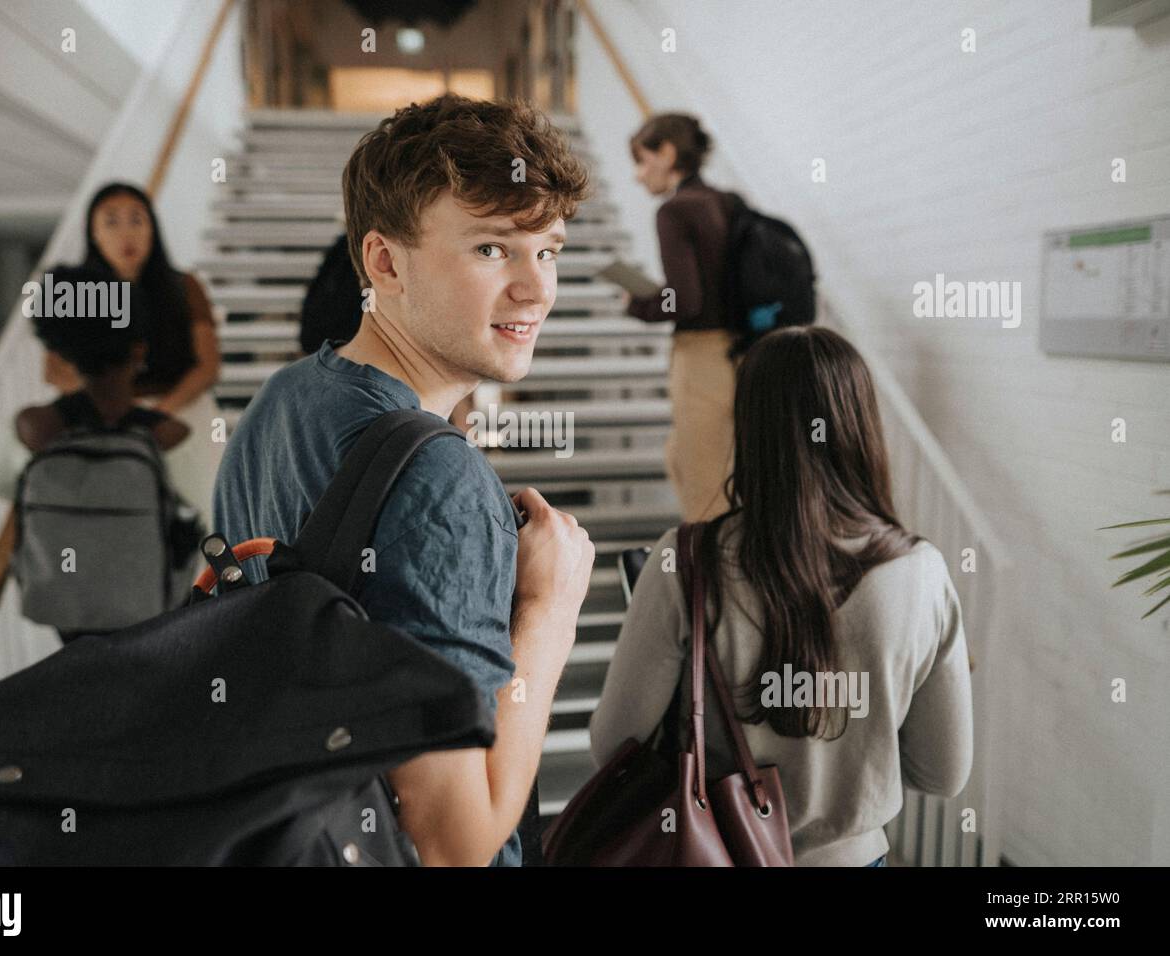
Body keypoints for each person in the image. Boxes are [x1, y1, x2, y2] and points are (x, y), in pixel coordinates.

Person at [212, 94, 596, 867]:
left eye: (547, 250)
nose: (535, 289)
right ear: (385, 262)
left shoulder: (282, 399)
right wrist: (551, 612)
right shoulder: (443, 481)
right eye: (492, 249)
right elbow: (455, 844)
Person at [589, 326, 974, 867]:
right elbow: (945, 772)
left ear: (749, 426)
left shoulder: (685, 561)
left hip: (716, 852)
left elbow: (614, 745)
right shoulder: (923, 572)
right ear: (863, 427)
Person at [0, 262, 192, 643]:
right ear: (139, 350)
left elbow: (0, 484)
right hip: (157, 621)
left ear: (62, 353)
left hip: (68, 616)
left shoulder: (33, 427)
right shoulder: (171, 435)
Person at [44, 182, 221, 527]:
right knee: (117, 523)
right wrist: (111, 411)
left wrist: (160, 411)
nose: (127, 233)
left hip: (181, 412)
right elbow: (56, 370)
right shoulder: (77, 294)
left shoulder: (183, 287)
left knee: (208, 515)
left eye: (137, 220)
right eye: (111, 222)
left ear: (153, 228)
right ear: (93, 233)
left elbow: (207, 365)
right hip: (105, 419)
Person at [624, 113, 740, 522]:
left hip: (703, 358)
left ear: (668, 153)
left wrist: (636, 301)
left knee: (704, 490)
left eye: (641, 161)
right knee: (715, 470)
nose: (639, 176)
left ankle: (711, 581)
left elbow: (684, 301)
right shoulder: (727, 202)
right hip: (743, 353)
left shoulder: (674, 211)